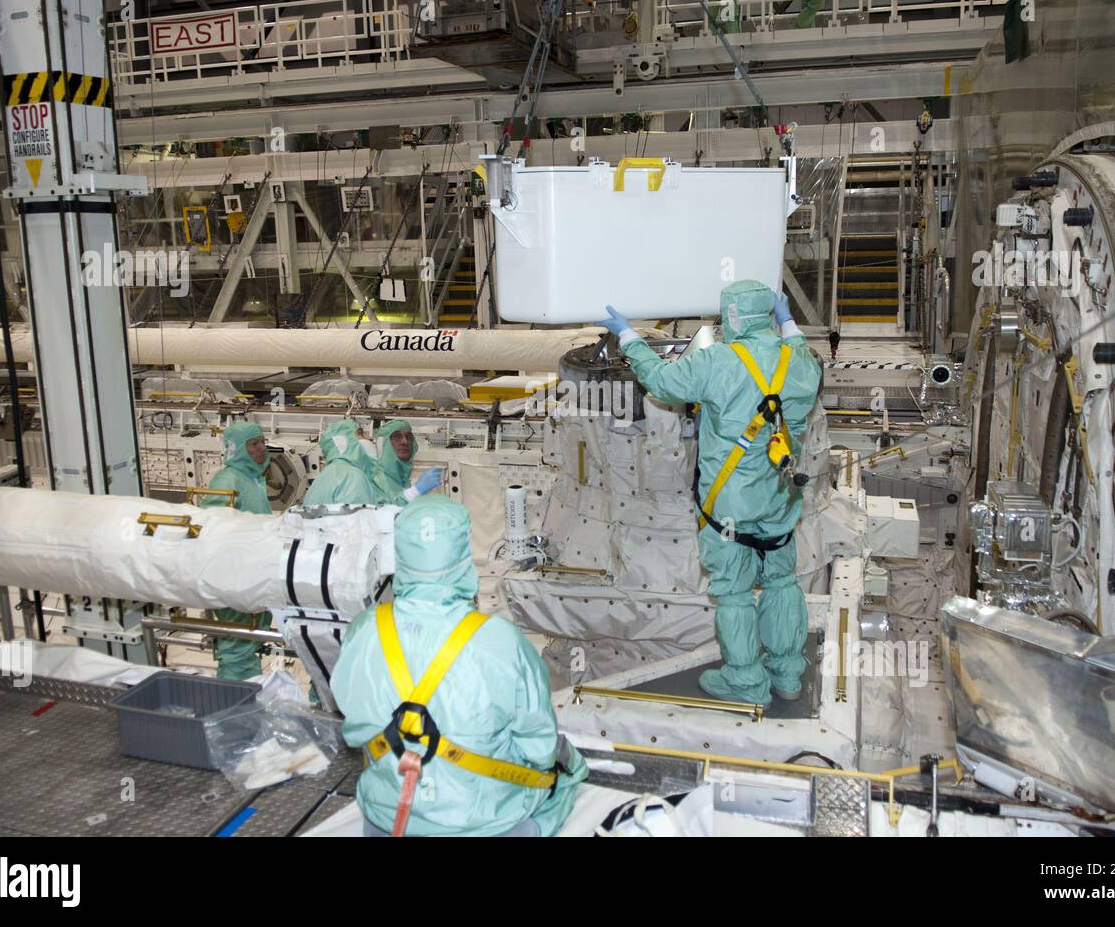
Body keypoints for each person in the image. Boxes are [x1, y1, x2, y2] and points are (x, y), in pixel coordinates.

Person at [597, 281, 821, 706]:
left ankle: (745, 680)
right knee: (781, 581)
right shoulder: (801, 362)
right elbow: (801, 353)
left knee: (735, 593)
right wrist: (788, 319)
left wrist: (627, 334)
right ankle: (788, 673)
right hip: (780, 496)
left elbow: (662, 381)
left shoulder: (716, 362)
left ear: (732, 317)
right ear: (768, 314)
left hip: (730, 505)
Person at [331, 495, 588, 836]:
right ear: (463, 556)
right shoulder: (501, 641)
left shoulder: (363, 630)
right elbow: (538, 750)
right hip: (482, 824)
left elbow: (353, 728)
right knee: (568, 769)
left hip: (387, 816)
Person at [198, 420, 273, 680]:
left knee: (247, 641)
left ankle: (246, 692)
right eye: (254, 444)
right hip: (234, 578)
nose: (262, 448)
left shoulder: (253, 478)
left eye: (262, 442)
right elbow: (213, 531)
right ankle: (232, 702)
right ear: (238, 449)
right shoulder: (228, 480)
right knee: (236, 644)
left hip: (252, 574)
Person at [303, 418, 382, 506]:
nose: (369, 438)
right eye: (361, 434)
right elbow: (358, 518)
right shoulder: (351, 476)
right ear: (342, 443)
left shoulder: (325, 476)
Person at [367, 419, 442, 505]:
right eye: (397, 437)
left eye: (409, 437)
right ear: (383, 444)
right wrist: (415, 491)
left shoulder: (403, 482)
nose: (404, 442)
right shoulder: (373, 481)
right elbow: (381, 514)